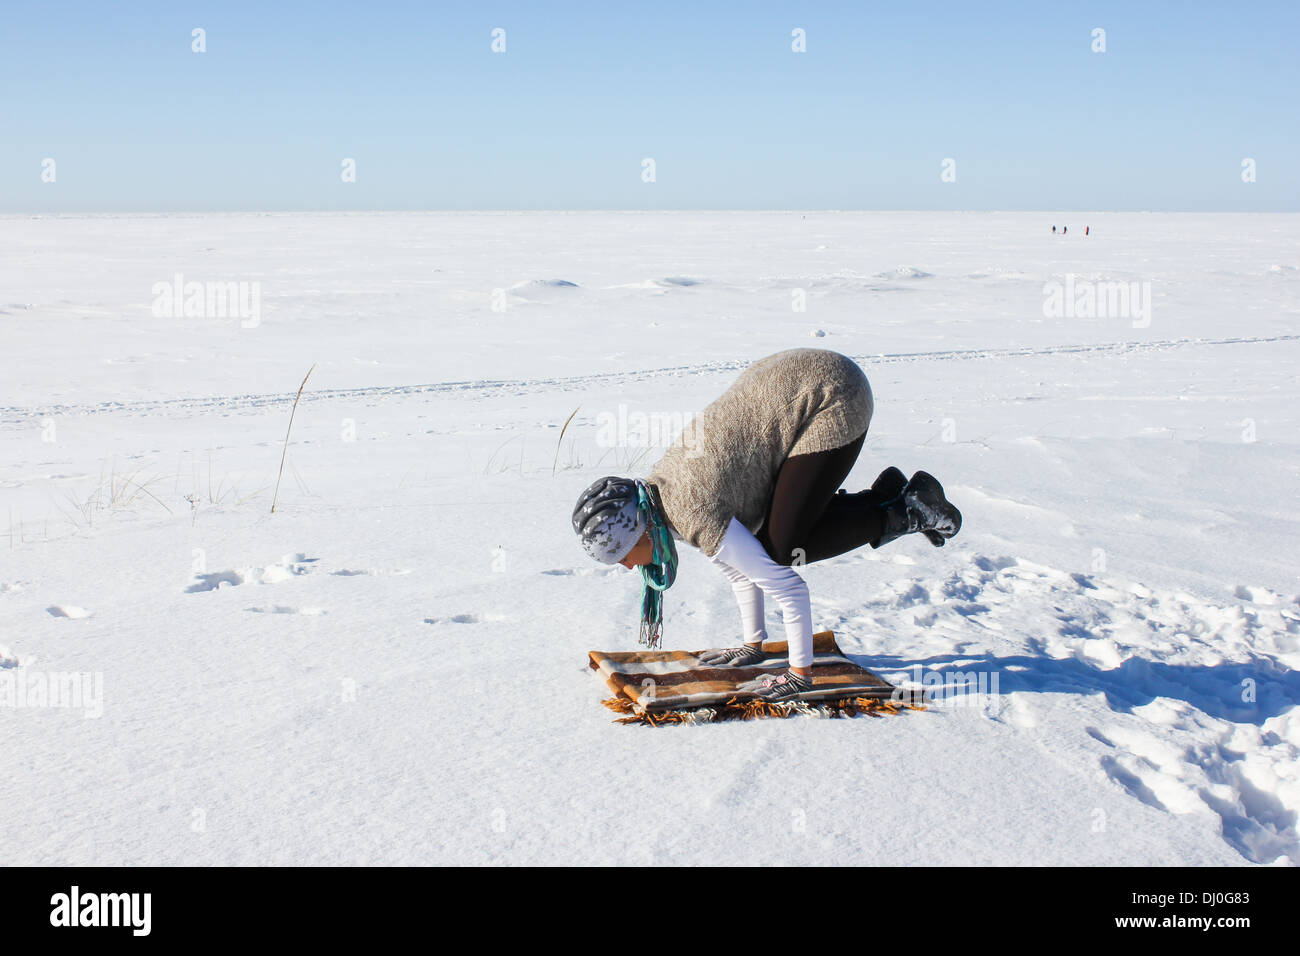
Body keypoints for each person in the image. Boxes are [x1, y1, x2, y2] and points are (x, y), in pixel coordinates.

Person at [571, 349, 961, 702]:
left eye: (621, 555)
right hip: (798, 384)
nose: (626, 567)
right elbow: (741, 570)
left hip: (832, 395)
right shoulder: (664, 495)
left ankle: (904, 509)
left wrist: (798, 675)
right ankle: (885, 500)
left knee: (783, 548)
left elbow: (786, 585)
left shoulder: (690, 509)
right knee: (767, 543)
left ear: (640, 530)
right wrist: (751, 647)